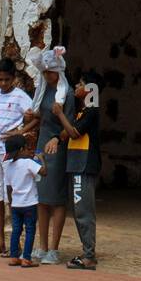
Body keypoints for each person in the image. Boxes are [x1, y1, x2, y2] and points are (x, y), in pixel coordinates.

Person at [29, 49, 75, 264]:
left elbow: (70, 126)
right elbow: (39, 116)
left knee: (56, 197)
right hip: (41, 145)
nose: (48, 76)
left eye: (51, 72)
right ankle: (42, 245)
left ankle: (54, 248)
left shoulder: (68, 94)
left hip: (58, 145)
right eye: (45, 72)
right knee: (40, 196)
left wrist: (58, 137)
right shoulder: (44, 90)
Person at [0, 57, 32, 256]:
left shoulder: (21, 97)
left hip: (9, 153)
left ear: (13, 79)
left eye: (6, 80)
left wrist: (19, 132)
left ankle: (15, 242)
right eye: (0, 79)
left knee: (12, 195)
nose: (3, 83)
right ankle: (0, 240)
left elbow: (35, 117)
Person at [54, 69, 102, 270]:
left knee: (84, 211)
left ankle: (89, 255)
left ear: (91, 89)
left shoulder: (92, 111)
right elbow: (67, 132)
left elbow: (73, 133)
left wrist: (59, 114)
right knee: (80, 209)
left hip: (84, 165)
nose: (76, 86)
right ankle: (87, 252)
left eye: (81, 84)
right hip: (76, 164)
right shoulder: (82, 111)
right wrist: (56, 138)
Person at [3, 135, 45, 267]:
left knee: (16, 230)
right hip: (30, 204)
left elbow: (9, 188)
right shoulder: (28, 163)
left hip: (16, 205)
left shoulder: (8, 167)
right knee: (30, 230)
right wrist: (42, 159)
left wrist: (10, 204)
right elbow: (44, 172)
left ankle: (14, 256)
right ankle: (26, 258)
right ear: (22, 149)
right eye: (27, 148)